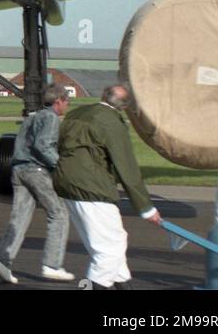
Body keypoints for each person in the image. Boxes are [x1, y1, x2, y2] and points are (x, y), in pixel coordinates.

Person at [53, 84, 162, 290]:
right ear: (124, 107)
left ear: (104, 95)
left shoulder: (77, 113)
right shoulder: (111, 122)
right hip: (93, 189)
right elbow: (126, 166)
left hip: (66, 184)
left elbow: (59, 145)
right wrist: (146, 208)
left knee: (108, 246)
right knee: (110, 250)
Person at [0, 87, 74, 284]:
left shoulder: (32, 116)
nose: (68, 105)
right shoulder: (51, 118)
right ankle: (52, 264)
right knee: (59, 213)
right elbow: (43, 145)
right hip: (35, 171)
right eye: (67, 101)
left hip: (18, 170)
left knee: (19, 219)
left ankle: (2, 261)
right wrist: (60, 165)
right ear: (59, 101)